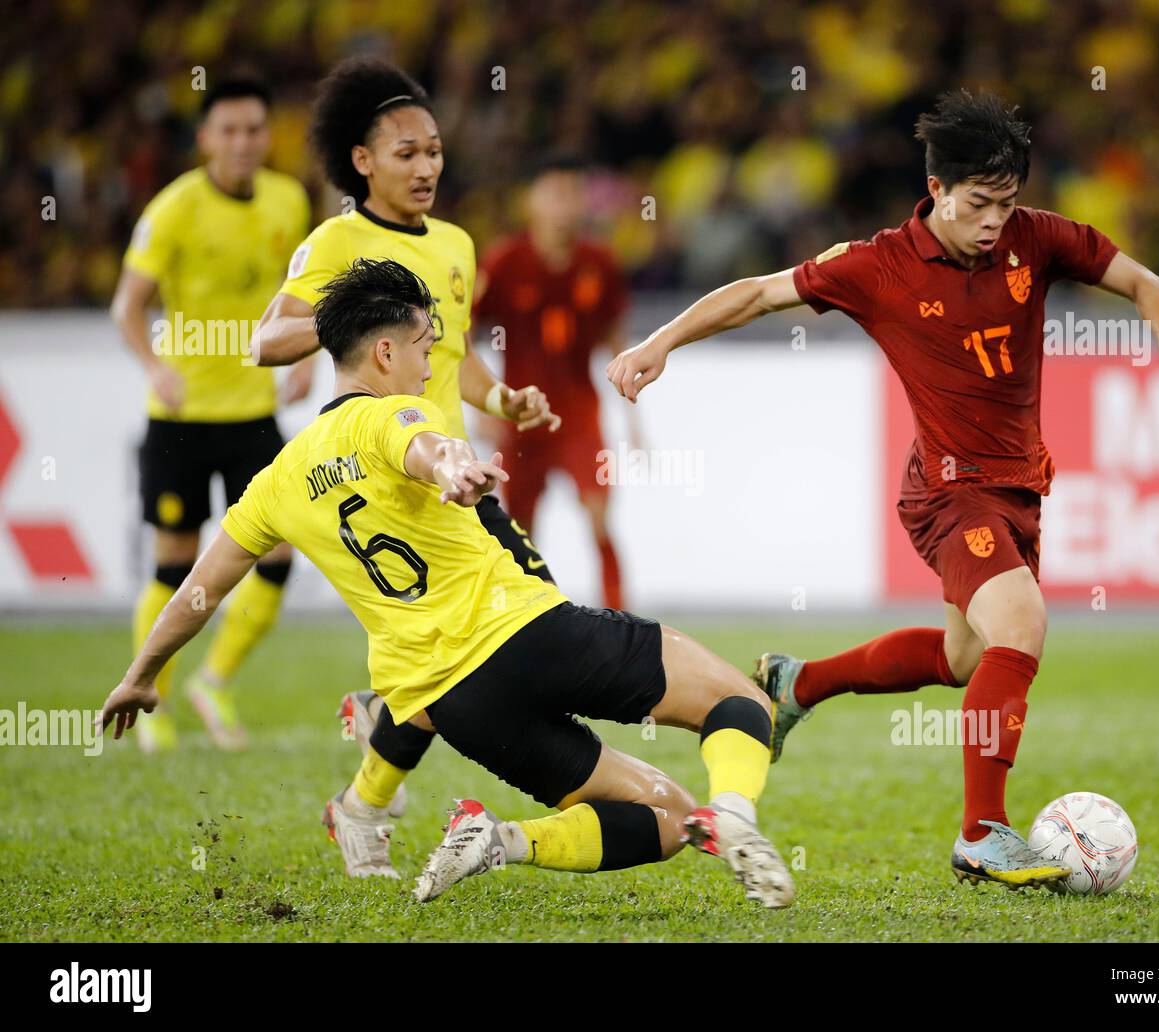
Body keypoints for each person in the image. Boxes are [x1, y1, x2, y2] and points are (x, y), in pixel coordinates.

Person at [606, 89, 1159, 891]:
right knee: (1022, 625)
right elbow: (757, 292)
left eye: (1007, 201)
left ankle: (799, 683)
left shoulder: (1038, 238)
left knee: (968, 658)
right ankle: (981, 833)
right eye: (979, 203)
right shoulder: (878, 264)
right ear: (936, 190)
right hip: (947, 491)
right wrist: (660, 343)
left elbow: (1144, 281)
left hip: (1019, 487)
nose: (996, 220)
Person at [99, 258, 794, 909]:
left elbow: (201, 588)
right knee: (742, 702)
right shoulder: (391, 414)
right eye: (426, 345)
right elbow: (426, 446)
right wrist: (453, 467)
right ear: (384, 353)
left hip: (456, 703)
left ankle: (500, 839)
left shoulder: (278, 480)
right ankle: (734, 813)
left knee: (669, 819)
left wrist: (142, 673)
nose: (431, 361)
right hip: (529, 638)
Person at [249, 58, 562, 878]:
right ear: (362, 161)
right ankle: (386, 772)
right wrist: (351, 311)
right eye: (405, 154)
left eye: (433, 152)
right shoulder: (339, 242)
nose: (425, 168)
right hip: (392, 480)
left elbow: (451, 359)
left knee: (498, 642)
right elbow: (265, 342)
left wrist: (508, 398)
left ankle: (365, 795)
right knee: (525, 632)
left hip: (453, 472)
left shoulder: (457, 246)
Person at [110, 76, 315, 752]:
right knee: (176, 562)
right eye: (228, 130)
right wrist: (155, 366)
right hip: (183, 419)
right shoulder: (174, 209)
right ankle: (153, 700)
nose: (242, 142)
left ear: (268, 135)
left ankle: (215, 680)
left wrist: (310, 355)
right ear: (204, 139)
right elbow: (127, 305)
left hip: (253, 414)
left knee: (281, 553)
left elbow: (306, 296)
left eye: (254, 129)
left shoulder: (290, 199)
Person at [474, 155, 632, 607]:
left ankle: (618, 620)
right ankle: (527, 619)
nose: (566, 205)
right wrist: (482, 406)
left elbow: (614, 336)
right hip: (520, 415)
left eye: (573, 194)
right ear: (532, 202)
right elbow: (463, 338)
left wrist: (633, 412)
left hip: (581, 415)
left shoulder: (598, 261)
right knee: (519, 530)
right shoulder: (504, 262)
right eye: (555, 193)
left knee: (600, 519)